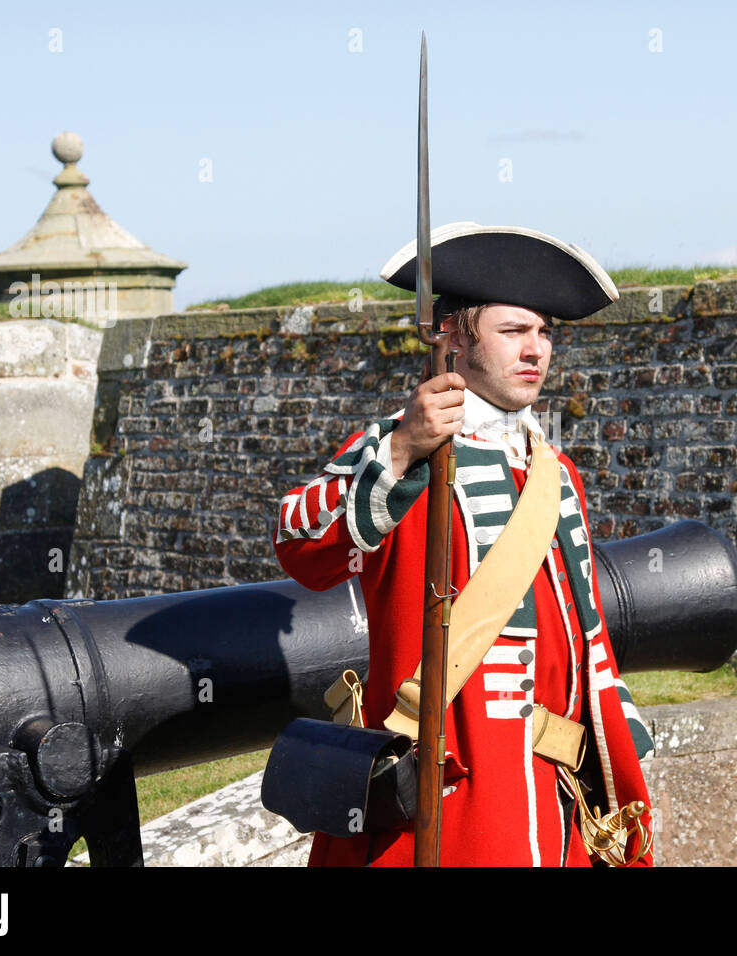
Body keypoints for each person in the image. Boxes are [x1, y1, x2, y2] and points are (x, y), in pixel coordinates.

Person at [272, 223, 653, 866]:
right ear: (452, 334)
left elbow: (588, 644)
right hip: (448, 801)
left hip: (552, 798)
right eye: (513, 332)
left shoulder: (556, 474)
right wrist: (400, 452)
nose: (536, 350)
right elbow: (300, 543)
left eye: (545, 332)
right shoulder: (405, 450)